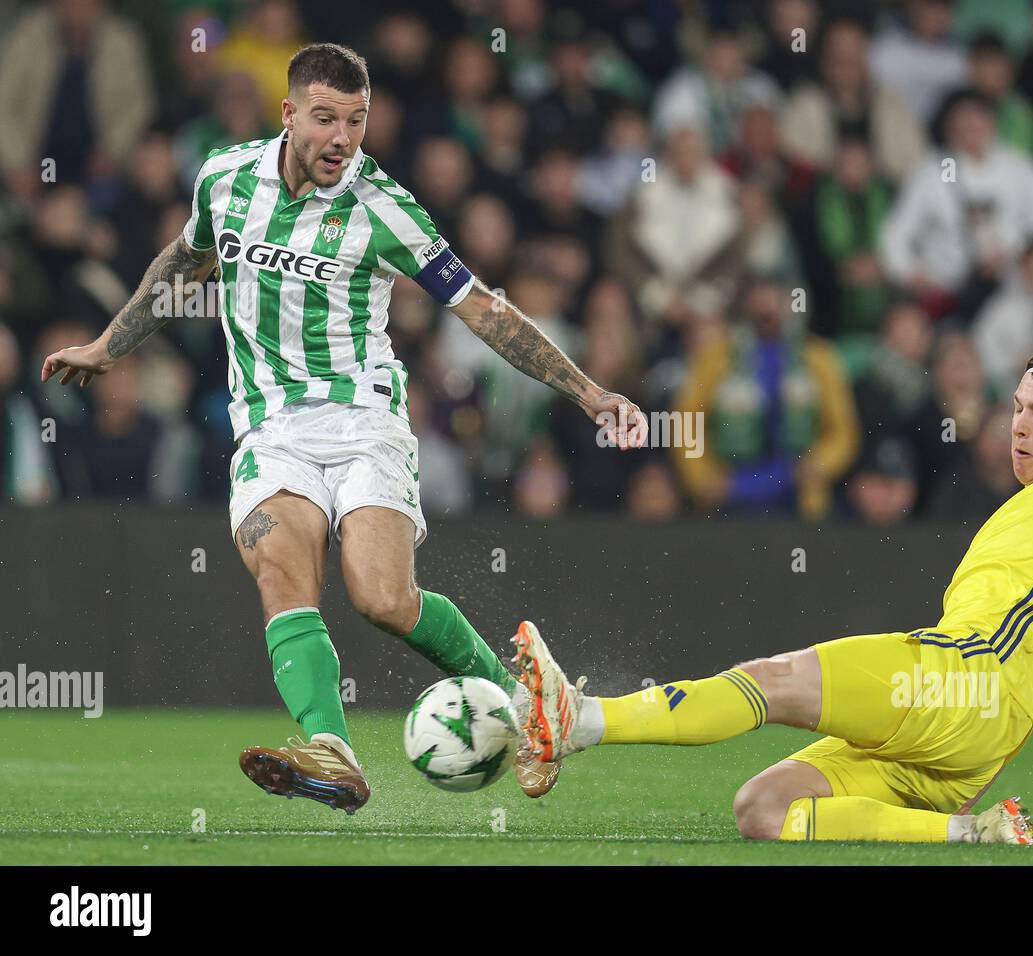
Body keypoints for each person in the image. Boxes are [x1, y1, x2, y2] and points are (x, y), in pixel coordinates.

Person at [40, 43, 647, 814]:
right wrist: (106, 345)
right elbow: (185, 261)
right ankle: (333, 752)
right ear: (289, 113)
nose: (341, 138)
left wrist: (588, 391)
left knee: (382, 598)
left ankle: (527, 707)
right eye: (325, 118)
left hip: (365, 423)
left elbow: (484, 309)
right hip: (270, 430)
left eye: (356, 122)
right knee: (280, 571)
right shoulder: (224, 180)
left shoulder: (382, 207)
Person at [512, 263, 1033, 844]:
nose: (1018, 425)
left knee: (769, 681)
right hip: (979, 737)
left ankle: (578, 721)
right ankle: (972, 834)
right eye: (1015, 408)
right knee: (764, 810)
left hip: (965, 681)